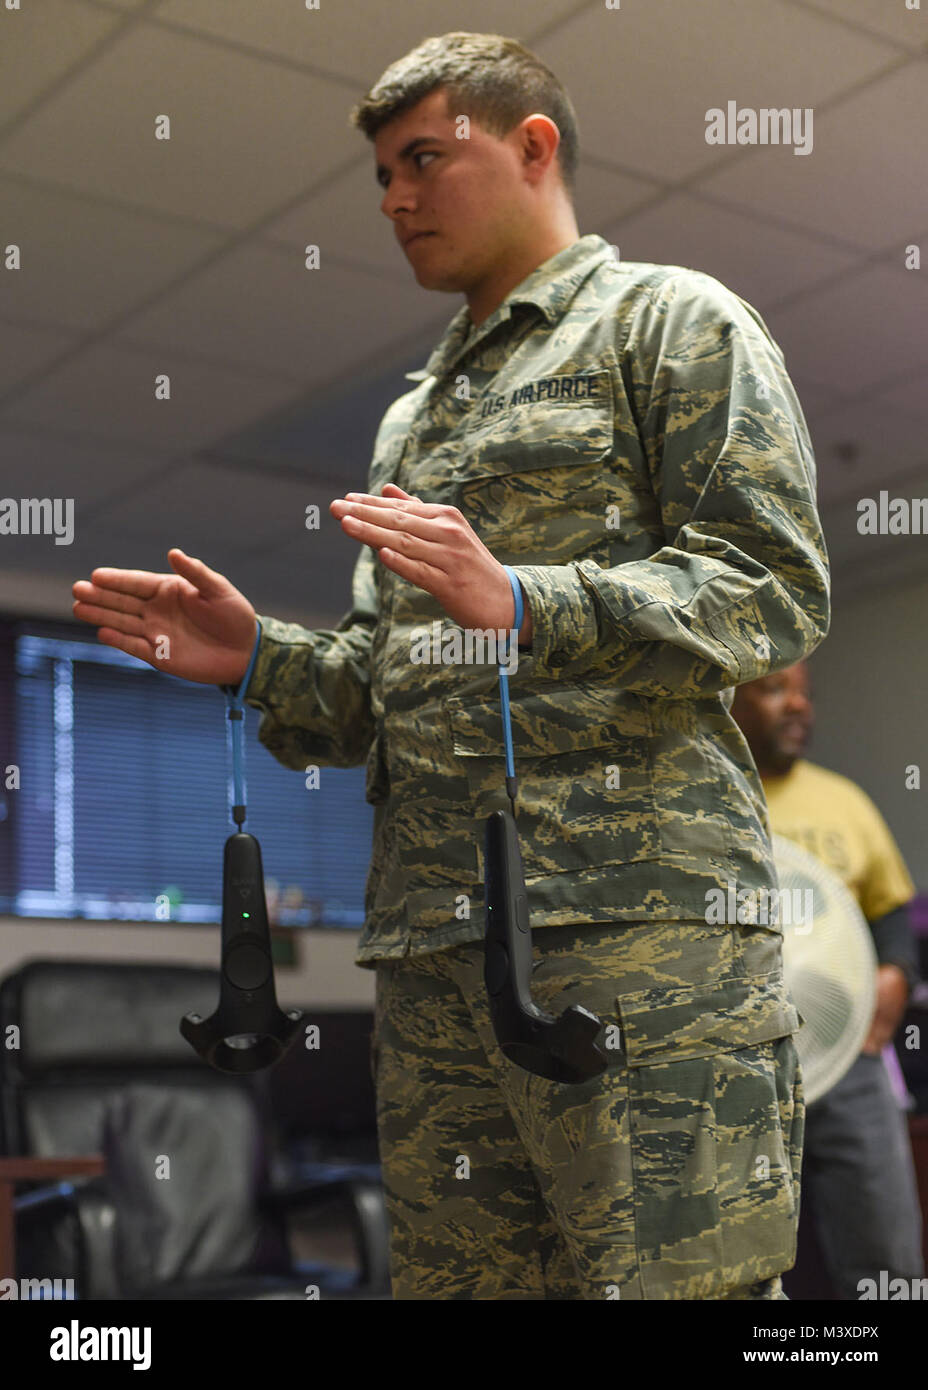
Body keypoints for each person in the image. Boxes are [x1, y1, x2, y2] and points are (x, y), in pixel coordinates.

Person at [72, 32, 831, 1299]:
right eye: (380, 177)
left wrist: (527, 598)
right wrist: (257, 659)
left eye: (424, 158)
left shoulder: (671, 322)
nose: (394, 201)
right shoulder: (411, 419)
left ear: (533, 146)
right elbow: (384, 686)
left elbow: (775, 583)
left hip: (632, 936)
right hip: (435, 959)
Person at [730, 660, 924, 1299]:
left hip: (848, 1059)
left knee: (888, 1260)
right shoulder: (703, 804)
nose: (798, 707)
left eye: (806, 693)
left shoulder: (845, 802)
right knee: (734, 1262)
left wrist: (896, 974)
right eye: (776, 688)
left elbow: (891, 914)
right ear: (729, 699)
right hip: (736, 1072)